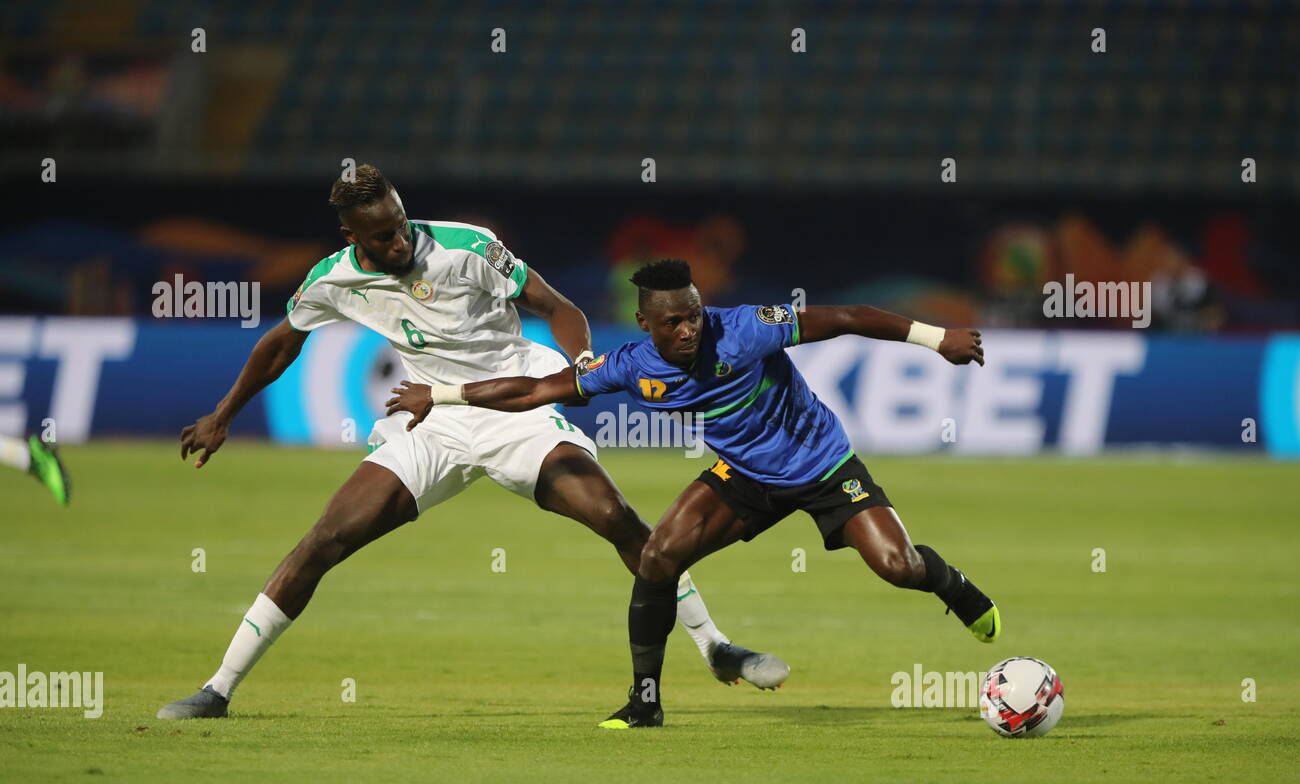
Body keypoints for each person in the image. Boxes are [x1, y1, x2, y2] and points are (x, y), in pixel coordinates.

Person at [157, 174, 787, 721]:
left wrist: (582, 365)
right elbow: (281, 342)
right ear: (354, 237)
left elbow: (554, 303)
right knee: (325, 540)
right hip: (431, 416)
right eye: (381, 237)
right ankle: (218, 689)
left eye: (401, 225)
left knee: (614, 517)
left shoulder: (466, 247)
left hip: (516, 405)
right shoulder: (334, 279)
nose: (399, 242)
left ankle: (716, 647)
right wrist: (223, 412)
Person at [386, 258, 996, 728]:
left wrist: (933, 337)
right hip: (746, 476)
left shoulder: (747, 330)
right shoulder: (630, 365)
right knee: (656, 557)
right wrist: (438, 396)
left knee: (897, 565)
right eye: (672, 321)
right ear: (646, 324)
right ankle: (644, 703)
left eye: (694, 315)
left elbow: (843, 318)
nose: (687, 330)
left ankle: (951, 584)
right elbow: (533, 390)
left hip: (824, 466)